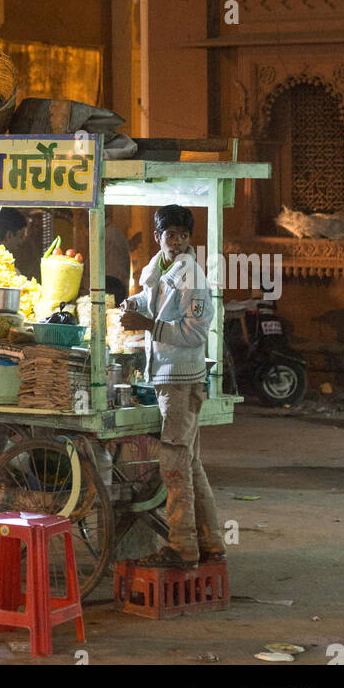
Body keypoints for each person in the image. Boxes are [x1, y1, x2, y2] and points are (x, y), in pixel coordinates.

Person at [120, 205, 225, 569]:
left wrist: (148, 326)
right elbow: (150, 303)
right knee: (191, 464)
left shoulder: (192, 275)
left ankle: (182, 547)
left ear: (190, 238)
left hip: (182, 382)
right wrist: (131, 306)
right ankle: (211, 543)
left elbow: (195, 331)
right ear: (158, 237)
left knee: (175, 465)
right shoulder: (157, 267)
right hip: (165, 378)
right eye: (170, 235)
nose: (177, 242)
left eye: (183, 235)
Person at [104, 206, 132, 306]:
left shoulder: (110, 235)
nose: (80, 219)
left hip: (110, 300)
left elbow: (112, 280)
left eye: (82, 215)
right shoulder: (105, 233)